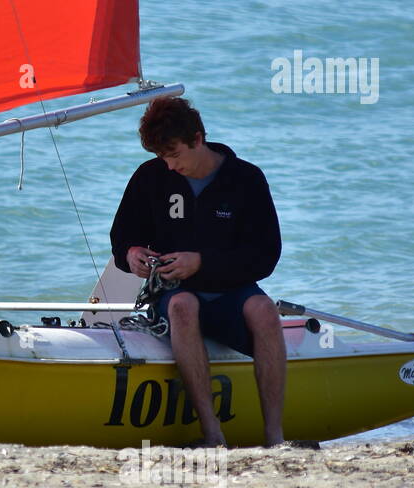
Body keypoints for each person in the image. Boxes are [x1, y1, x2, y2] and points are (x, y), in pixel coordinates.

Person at [109, 96, 285, 447]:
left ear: (198, 139)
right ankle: (213, 434)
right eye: (162, 157)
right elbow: (121, 238)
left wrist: (202, 262)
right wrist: (131, 254)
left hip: (230, 290)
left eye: (174, 155)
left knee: (265, 311)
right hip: (174, 295)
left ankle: (274, 436)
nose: (170, 166)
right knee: (183, 306)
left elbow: (266, 256)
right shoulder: (150, 177)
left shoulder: (246, 179)